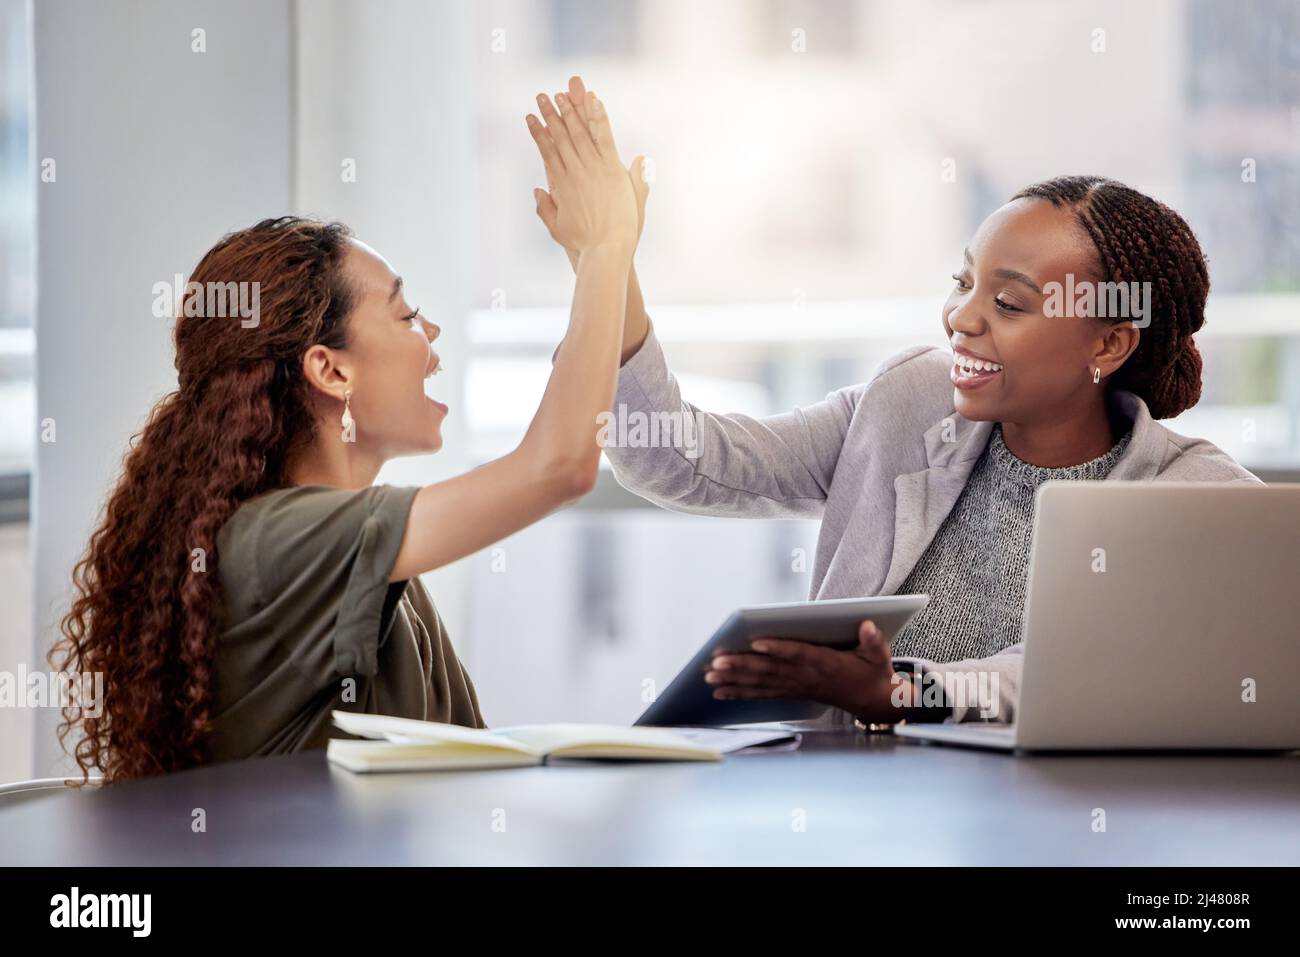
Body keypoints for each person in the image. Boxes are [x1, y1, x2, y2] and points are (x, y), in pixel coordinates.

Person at [531, 76, 1261, 729]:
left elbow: (1073, 670)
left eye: (1007, 301)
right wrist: (608, 263)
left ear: (1108, 345)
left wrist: (905, 690)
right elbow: (677, 460)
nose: (960, 319)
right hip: (861, 813)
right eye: (962, 281)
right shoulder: (910, 402)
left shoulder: (1200, 498)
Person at [53, 87, 643, 782]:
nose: (431, 337)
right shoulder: (276, 541)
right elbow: (561, 465)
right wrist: (605, 248)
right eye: (406, 315)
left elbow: (473, 767)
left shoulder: (369, 560)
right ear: (330, 370)